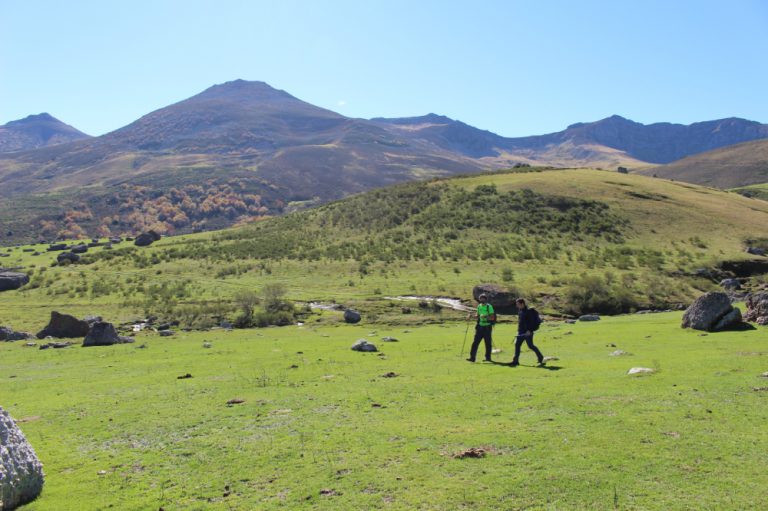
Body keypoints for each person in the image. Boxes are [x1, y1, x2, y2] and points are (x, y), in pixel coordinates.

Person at [510, 298, 544, 367]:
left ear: (522, 304)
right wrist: (518, 331)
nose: (517, 306)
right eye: (517, 304)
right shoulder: (520, 311)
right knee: (517, 345)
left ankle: (540, 357)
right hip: (521, 332)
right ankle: (515, 361)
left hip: (528, 332)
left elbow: (532, 322)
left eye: (518, 304)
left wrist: (530, 331)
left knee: (530, 346)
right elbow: (520, 322)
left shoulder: (529, 311)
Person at [467, 293, 494, 362]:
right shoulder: (479, 306)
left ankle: (488, 358)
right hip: (479, 327)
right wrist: (471, 316)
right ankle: (472, 358)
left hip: (487, 327)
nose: (481, 300)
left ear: (485, 299)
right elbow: (478, 316)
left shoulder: (489, 306)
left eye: (483, 299)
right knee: (475, 343)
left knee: (487, 343)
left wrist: (485, 316)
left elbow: (492, 317)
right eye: (480, 299)